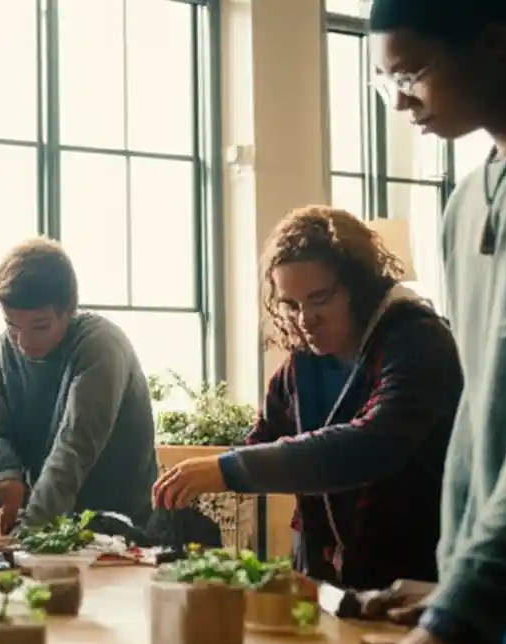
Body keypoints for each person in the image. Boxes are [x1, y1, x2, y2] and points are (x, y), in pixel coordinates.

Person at [320, 1, 506, 644]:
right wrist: (457, 579)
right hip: (485, 595)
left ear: (496, 45)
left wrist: (466, 610)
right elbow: (488, 405)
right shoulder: (466, 201)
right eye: (386, 81)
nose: (399, 100)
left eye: (413, 73)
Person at [153, 206, 462, 591]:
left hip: (414, 577)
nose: (305, 319)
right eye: (291, 305)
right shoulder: (300, 364)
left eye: (320, 299)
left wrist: (229, 469)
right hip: (325, 577)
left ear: (360, 287)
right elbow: (263, 442)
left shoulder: (417, 339)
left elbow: (375, 443)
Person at [0, 238, 183, 536]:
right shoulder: (7, 345)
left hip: (122, 531)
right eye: (12, 325)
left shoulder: (100, 345)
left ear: (70, 310)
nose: (23, 343)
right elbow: (1, 431)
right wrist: (8, 475)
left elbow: (73, 449)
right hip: (56, 527)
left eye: (40, 326)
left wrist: (26, 535)